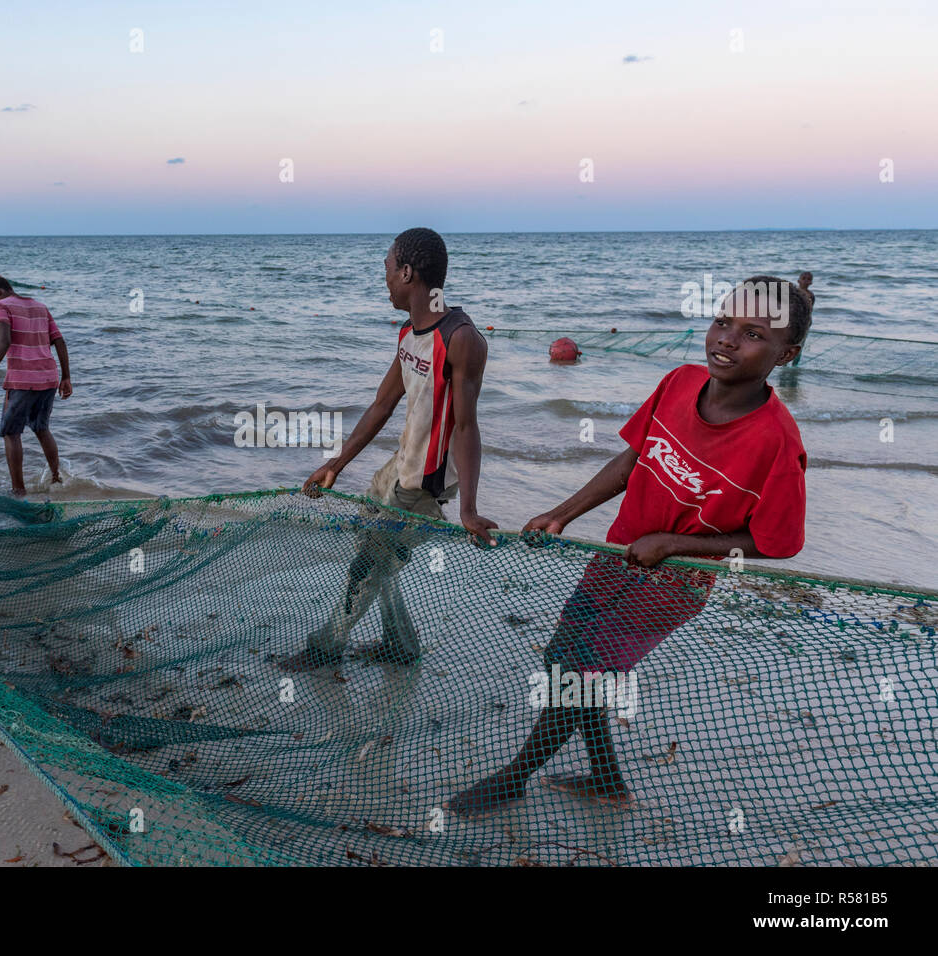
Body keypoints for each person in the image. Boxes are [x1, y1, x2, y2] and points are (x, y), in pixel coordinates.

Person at [446, 276, 810, 815]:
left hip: (673, 583)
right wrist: (562, 513)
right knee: (568, 660)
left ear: (787, 354)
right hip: (618, 558)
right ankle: (608, 781)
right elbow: (633, 458)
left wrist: (674, 543)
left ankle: (513, 778)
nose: (728, 340)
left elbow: (777, 543)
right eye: (722, 322)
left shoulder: (776, 441)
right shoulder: (680, 383)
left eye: (753, 333)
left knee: (578, 672)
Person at [279, 228, 497, 671]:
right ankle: (400, 645)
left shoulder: (461, 338)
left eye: (387, 267)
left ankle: (325, 650)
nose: (383, 276)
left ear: (407, 272)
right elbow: (383, 403)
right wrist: (336, 464)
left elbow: (467, 427)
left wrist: (469, 509)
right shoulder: (410, 332)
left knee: (369, 564)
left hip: (425, 482)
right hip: (399, 466)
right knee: (377, 555)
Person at [0, 276, 72, 495]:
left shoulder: (1, 305)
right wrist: (66, 377)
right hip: (48, 377)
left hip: (22, 380)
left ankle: (18, 490)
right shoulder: (40, 306)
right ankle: (56, 479)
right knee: (42, 428)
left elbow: (4, 341)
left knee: (11, 433)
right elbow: (59, 341)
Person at [790, 271, 814, 366]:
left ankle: (794, 365)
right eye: (803, 278)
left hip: (804, 323)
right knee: (789, 342)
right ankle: (784, 364)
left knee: (800, 345)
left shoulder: (810, 295)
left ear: (811, 283)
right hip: (793, 322)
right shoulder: (794, 292)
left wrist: (807, 323)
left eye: (808, 279)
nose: (806, 281)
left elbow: (810, 310)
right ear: (798, 280)